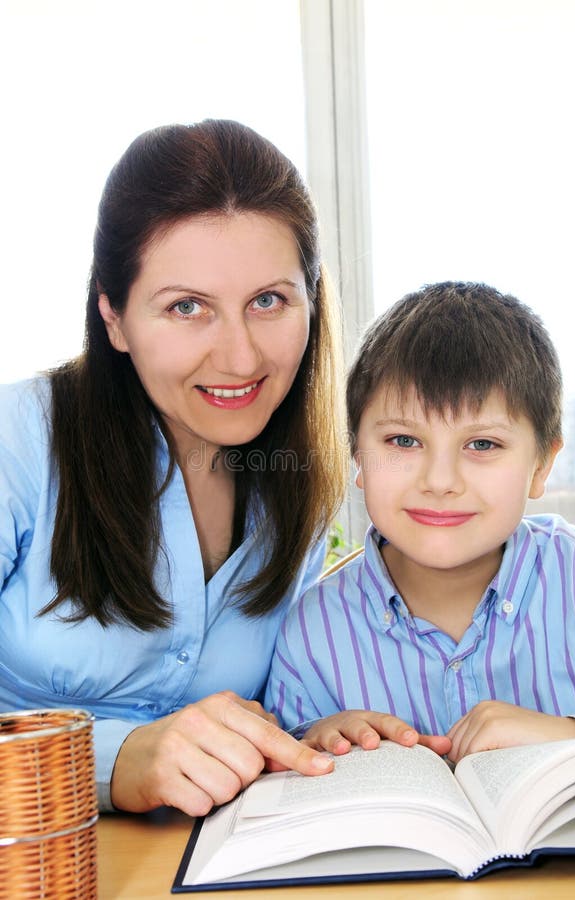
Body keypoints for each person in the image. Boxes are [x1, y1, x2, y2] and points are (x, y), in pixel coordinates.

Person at [0, 119, 354, 816]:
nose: (240, 358)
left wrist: (322, 731)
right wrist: (116, 759)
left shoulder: (298, 486)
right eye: (187, 307)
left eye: (269, 301)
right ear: (114, 316)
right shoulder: (19, 440)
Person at [266, 281, 575, 762]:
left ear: (542, 465)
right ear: (358, 455)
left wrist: (573, 735)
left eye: (482, 444)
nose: (440, 482)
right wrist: (314, 743)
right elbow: (277, 782)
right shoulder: (311, 635)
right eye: (403, 441)